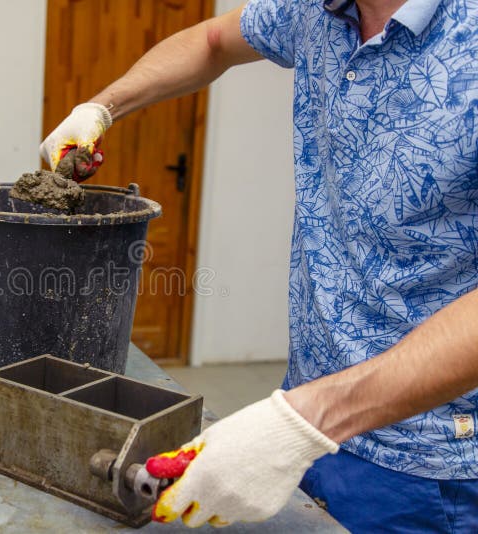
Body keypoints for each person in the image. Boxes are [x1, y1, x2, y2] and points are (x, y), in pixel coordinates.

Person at [40, 0, 478, 531]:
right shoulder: (318, 10)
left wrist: (305, 419)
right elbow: (212, 42)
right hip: (308, 422)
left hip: (426, 468)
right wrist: (101, 108)